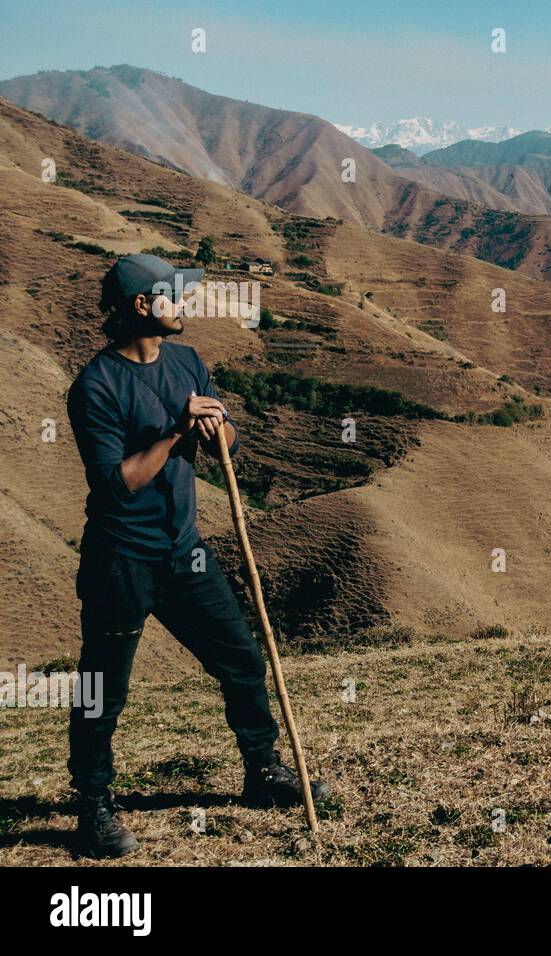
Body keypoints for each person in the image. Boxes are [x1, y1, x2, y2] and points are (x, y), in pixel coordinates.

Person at [65, 254, 327, 858]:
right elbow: (117, 481)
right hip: (121, 559)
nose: (184, 306)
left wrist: (216, 429)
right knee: (103, 688)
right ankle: (93, 807)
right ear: (142, 307)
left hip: (185, 553)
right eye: (173, 297)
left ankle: (263, 771)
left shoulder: (186, 362)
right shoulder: (96, 386)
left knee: (240, 658)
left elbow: (225, 435)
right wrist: (178, 434)